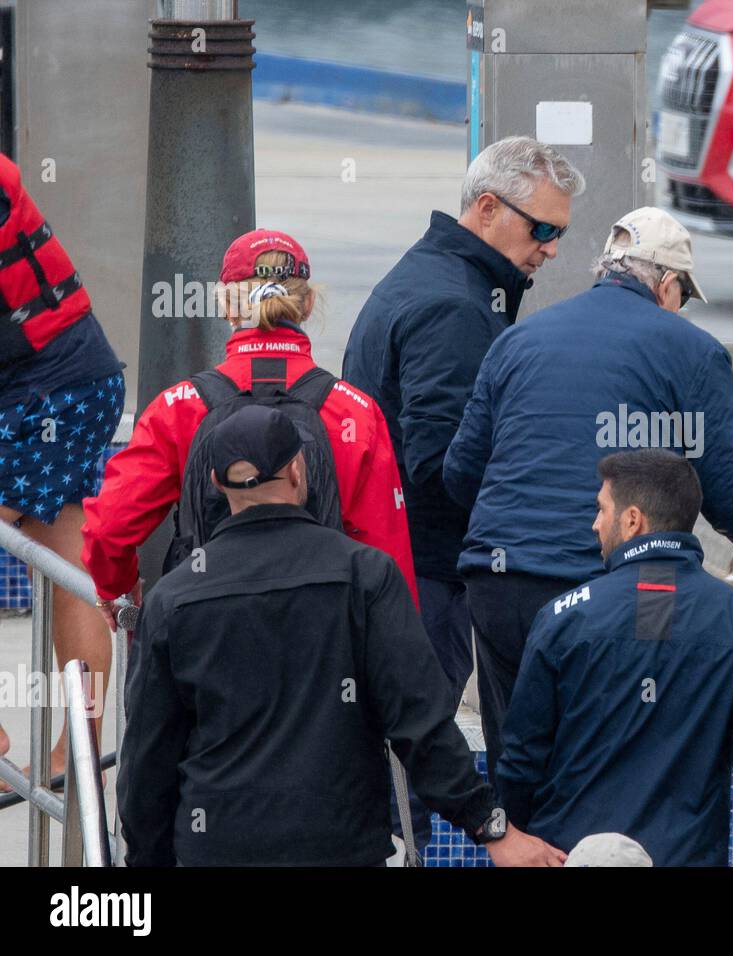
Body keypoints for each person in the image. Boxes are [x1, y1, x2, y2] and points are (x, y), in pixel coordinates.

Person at [445, 207, 733, 781]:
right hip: (624, 588)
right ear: (667, 285)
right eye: (683, 296)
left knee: (520, 771)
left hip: (502, 584)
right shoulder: (692, 350)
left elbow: (460, 473)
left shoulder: (520, 338)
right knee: (629, 774)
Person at [118, 404, 565, 866]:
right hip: (338, 847)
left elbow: (148, 758)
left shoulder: (175, 596)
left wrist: (146, 859)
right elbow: (421, 724)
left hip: (218, 847)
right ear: (297, 469)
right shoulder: (364, 575)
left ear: (214, 483)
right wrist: (492, 828)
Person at [343, 136, 585, 702]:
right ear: (488, 208)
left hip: (398, 559)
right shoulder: (455, 306)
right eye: (543, 230)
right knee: (418, 749)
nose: (551, 250)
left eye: (561, 234)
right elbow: (443, 465)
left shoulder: (432, 271)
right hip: (424, 573)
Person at [82, 228, 416, 617]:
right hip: (321, 645)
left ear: (226, 305)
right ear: (307, 305)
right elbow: (389, 563)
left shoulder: (178, 409)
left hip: (204, 641)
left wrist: (117, 587)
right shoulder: (354, 412)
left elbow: (109, 529)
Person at [496, 449, 733, 867]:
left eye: (602, 509)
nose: (595, 524)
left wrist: (512, 837)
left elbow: (521, 757)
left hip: (566, 854)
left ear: (633, 519)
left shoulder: (562, 618)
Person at [0, 154, 124, 791]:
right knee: (64, 560)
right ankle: (80, 756)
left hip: (51, 391)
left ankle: (57, 753)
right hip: (76, 379)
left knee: (65, 562)